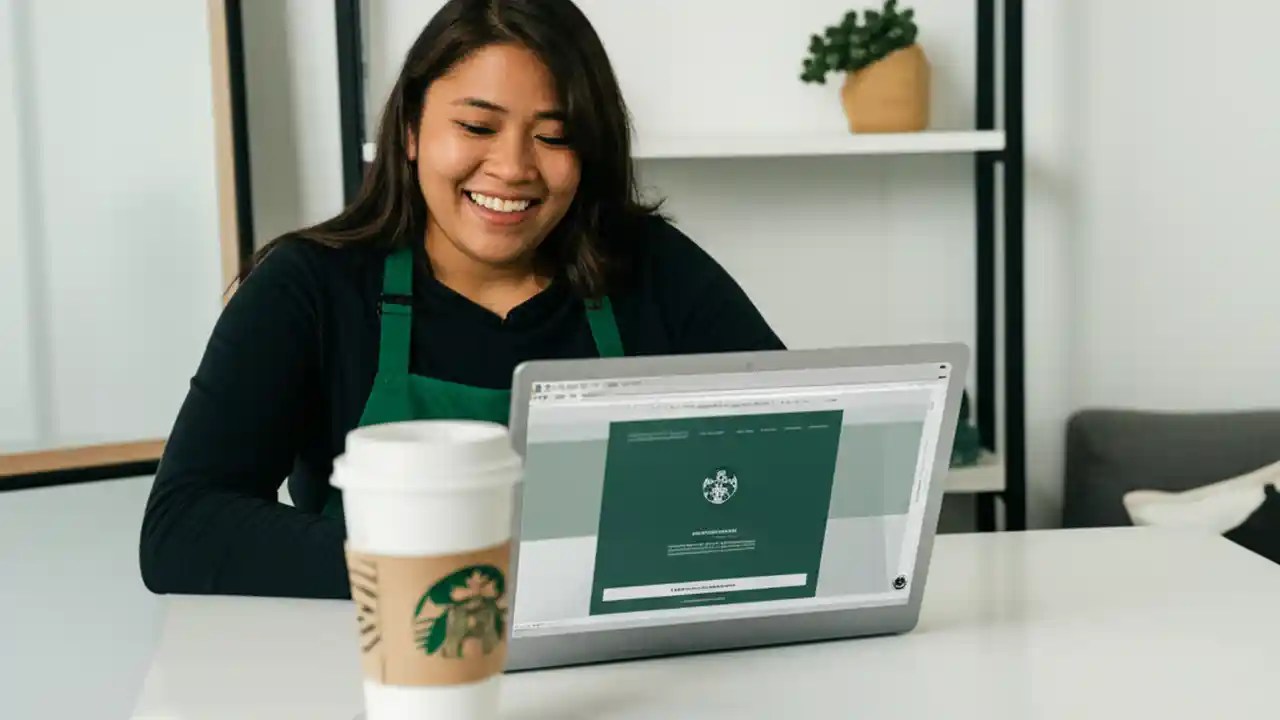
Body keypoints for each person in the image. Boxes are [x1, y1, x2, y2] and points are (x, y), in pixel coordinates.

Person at [138, 0, 784, 599]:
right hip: (388, 655)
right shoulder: (309, 287)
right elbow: (182, 528)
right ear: (411, 129)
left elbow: (797, 452)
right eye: (477, 125)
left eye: (555, 136)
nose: (513, 167)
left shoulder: (652, 268)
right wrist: (454, 567)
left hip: (624, 659)